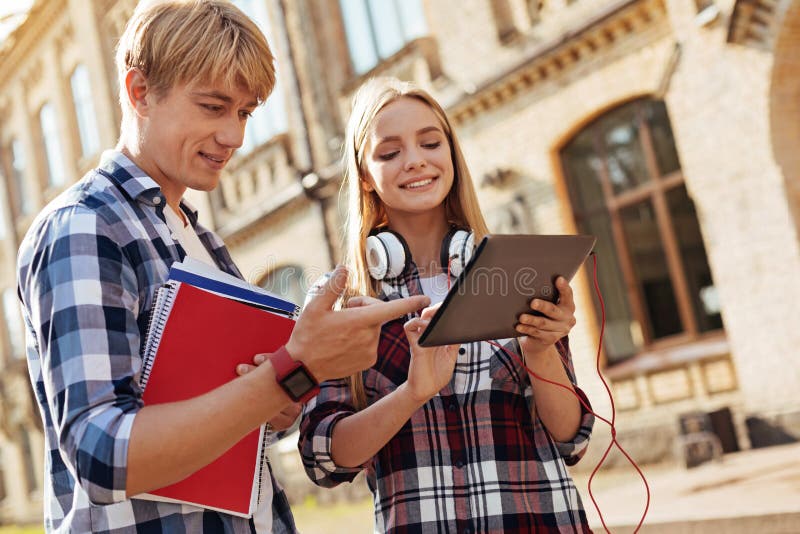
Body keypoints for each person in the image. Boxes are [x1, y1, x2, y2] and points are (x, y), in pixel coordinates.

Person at [15, 3, 428, 533]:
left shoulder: (199, 238)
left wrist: (302, 378)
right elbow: (102, 455)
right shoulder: (84, 227)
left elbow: (252, 418)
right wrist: (293, 369)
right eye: (213, 107)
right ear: (140, 91)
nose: (235, 136)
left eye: (244, 113)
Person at [296, 77, 596, 533]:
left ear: (451, 154)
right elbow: (324, 458)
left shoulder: (515, 270)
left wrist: (540, 350)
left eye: (430, 142)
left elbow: (571, 437)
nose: (415, 160)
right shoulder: (345, 302)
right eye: (390, 152)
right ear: (364, 176)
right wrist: (412, 393)